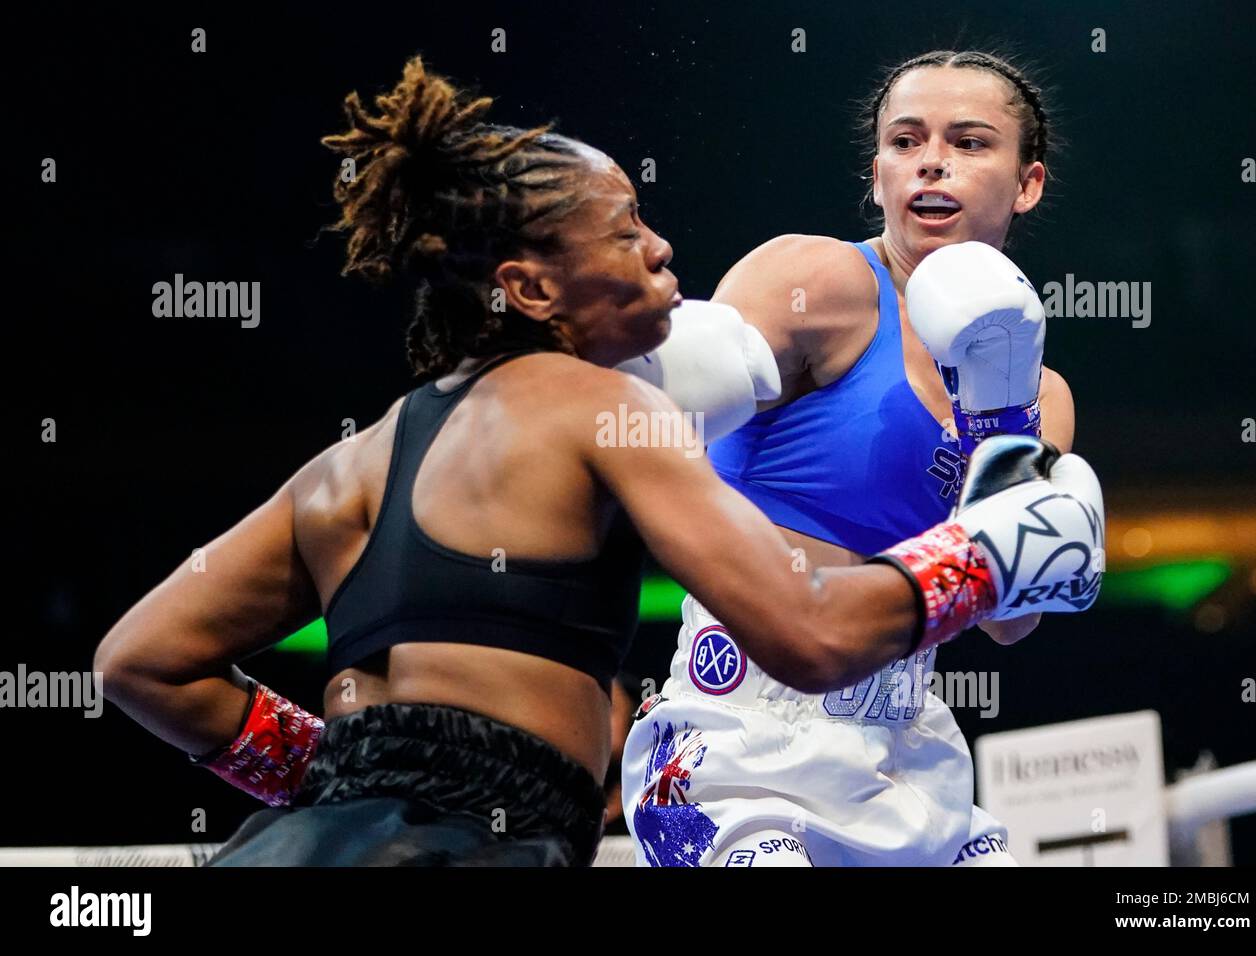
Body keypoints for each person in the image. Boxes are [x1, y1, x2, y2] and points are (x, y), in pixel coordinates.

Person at [94, 56, 1101, 867]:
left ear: (1026, 178)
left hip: (320, 841)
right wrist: (988, 550)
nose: (665, 250)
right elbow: (806, 631)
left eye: (967, 142)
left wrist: (353, 787)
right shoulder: (614, 409)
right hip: (608, 798)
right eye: (627, 232)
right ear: (532, 285)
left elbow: (138, 661)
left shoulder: (359, 455)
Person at [620, 50, 1086, 866]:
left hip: (909, 752)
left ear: (1028, 183)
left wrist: (999, 419)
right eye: (907, 141)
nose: (932, 159)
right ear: (878, 176)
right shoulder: (818, 280)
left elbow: (1013, 621)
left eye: (970, 142)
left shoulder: (1042, 393)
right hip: (742, 743)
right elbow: (660, 398)